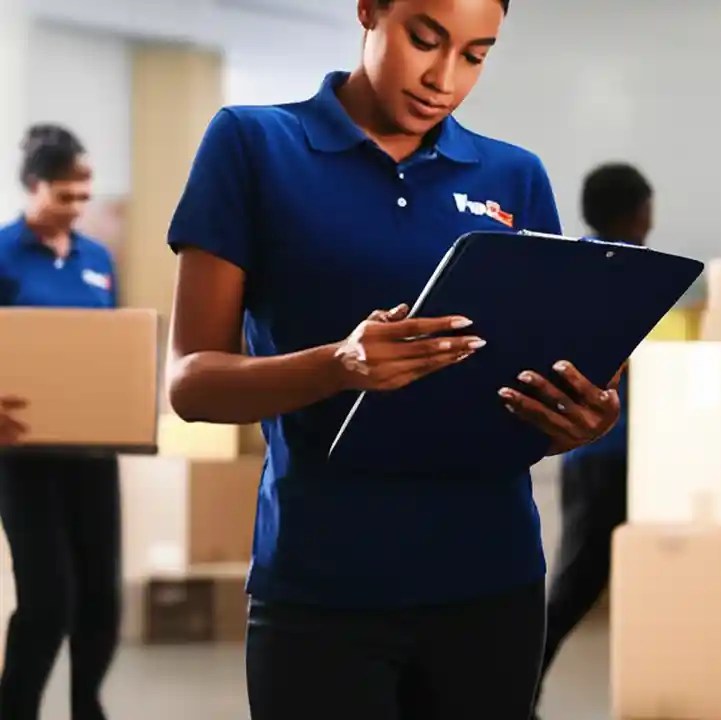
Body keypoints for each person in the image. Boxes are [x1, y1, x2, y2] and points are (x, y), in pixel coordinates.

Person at [163, 1, 622, 718]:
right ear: (370, 10)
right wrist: (339, 364)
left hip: (492, 584)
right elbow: (190, 384)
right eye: (425, 39)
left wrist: (575, 417)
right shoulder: (252, 145)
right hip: (322, 588)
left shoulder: (515, 176)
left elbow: (525, 388)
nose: (443, 77)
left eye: (474, 55)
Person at [0, 125, 121, 720]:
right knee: (49, 600)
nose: (76, 208)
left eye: (83, 196)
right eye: (63, 195)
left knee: (102, 597)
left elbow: (111, 347)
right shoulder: (1, 253)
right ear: (31, 185)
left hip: (95, 450)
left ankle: (86, 708)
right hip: (22, 453)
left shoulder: (98, 260)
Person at [535, 163, 652, 714]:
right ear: (635, 211)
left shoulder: (583, 264)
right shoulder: (616, 269)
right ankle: (515, 691)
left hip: (601, 453)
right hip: (602, 453)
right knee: (576, 583)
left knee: (591, 577)